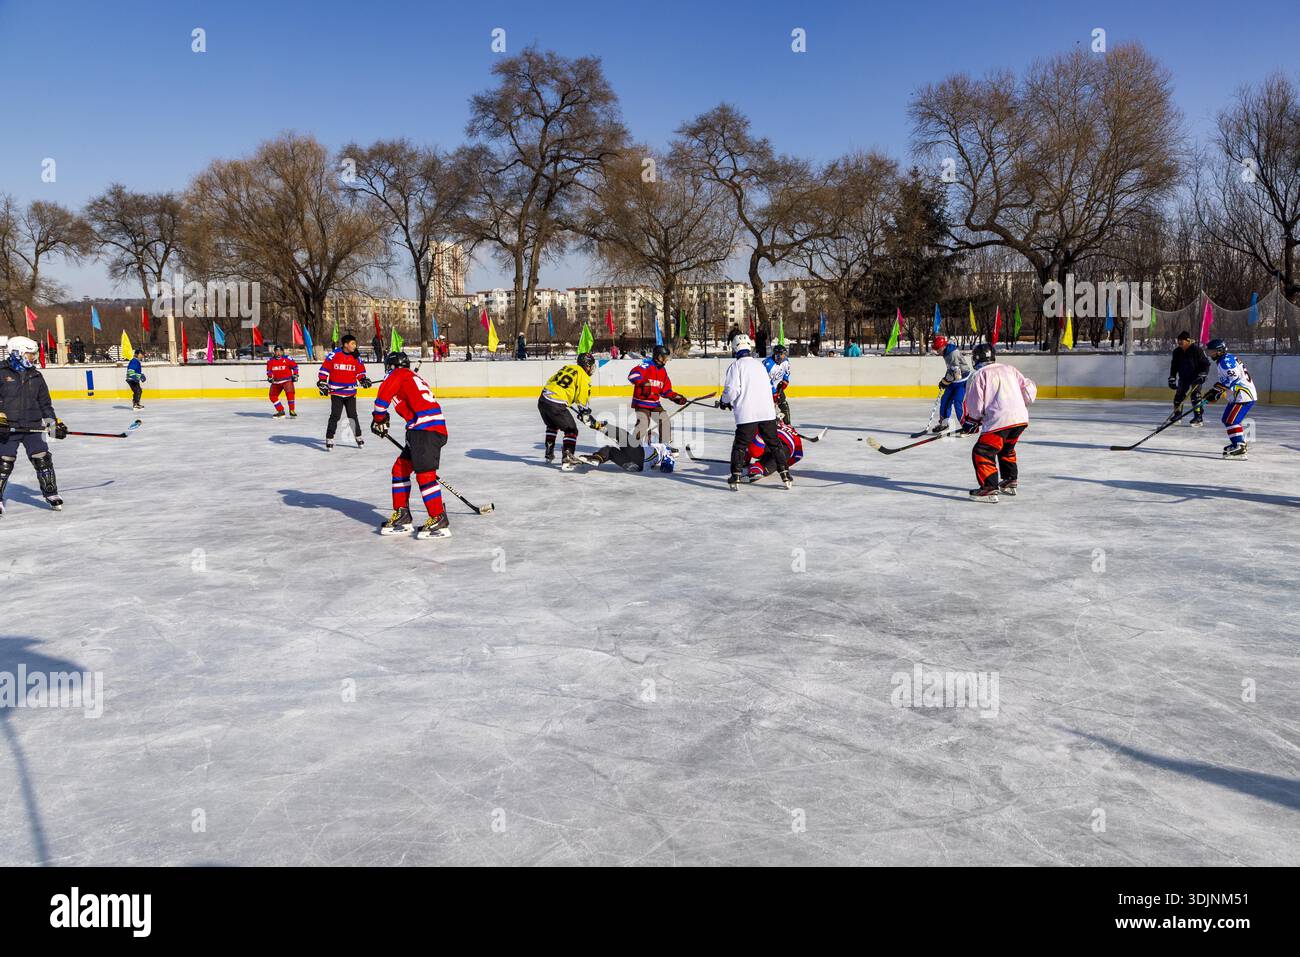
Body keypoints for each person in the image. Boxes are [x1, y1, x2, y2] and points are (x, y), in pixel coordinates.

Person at [372, 351, 451, 538]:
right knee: (400, 469)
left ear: (391, 366)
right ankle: (403, 515)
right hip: (423, 430)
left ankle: (438, 518)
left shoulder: (397, 375)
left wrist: (379, 419)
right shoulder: (411, 376)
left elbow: (381, 401)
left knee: (425, 476)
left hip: (426, 430)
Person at [959, 343, 1037, 503]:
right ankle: (1009, 480)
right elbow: (1029, 388)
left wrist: (972, 420)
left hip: (999, 421)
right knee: (1006, 449)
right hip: (1020, 419)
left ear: (975, 359)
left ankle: (989, 487)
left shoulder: (979, 374)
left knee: (982, 452)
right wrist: (1017, 404)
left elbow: (975, 402)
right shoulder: (1009, 369)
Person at [0, 336, 67, 517]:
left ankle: (51, 493)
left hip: (32, 425)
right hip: (8, 427)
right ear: (18, 353)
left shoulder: (36, 375)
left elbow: (45, 403)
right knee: (4, 462)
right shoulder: (1, 371)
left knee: (42, 459)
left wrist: (54, 426)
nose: (33, 358)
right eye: (30, 354)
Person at [720, 334, 790, 490]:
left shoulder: (735, 366)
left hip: (747, 414)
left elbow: (732, 390)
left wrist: (725, 401)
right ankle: (785, 474)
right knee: (775, 445)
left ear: (735, 348)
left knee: (739, 446)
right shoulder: (759, 365)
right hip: (767, 413)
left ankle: (736, 475)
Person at [1201, 339, 1257, 458]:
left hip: (1243, 396)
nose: (1210, 354)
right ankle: (1237, 444)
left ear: (1219, 351)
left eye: (1212, 351)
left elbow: (1234, 378)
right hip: (1237, 396)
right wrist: (1217, 390)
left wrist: (1218, 390)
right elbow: (1228, 379)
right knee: (1227, 419)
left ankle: (1239, 446)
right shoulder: (1225, 359)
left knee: (1232, 420)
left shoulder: (1225, 361)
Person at [538, 352, 595, 467]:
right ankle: (568, 457)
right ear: (587, 365)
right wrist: (584, 410)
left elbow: (551, 381)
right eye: (591, 365)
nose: (592, 368)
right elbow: (582, 395)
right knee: (571, 430)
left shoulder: (567, 367)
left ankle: (549, 452)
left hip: (543, 399)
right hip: (556, 403)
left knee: (553, 425)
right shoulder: (583, 375)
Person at [317, 334, 372, 450]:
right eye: (352, 344)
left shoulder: (356, 356)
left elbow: (360, 371)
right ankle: (329, 437)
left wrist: (363, 380)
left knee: (353, 416)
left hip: (350, 392)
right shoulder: (334, 355)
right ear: (345, 344)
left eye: (355, 344)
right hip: (336, 392)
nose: (354, 346)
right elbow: (324, 369)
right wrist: (322, 381)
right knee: (335, 416)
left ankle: (358, 436)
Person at [627, 344, 687, 446]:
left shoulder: (663, 371)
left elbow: (666, 391)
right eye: (665, 357)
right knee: (643, 423)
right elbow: (632, 375)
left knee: (665, 420)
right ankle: (634, 446)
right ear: (659, 357)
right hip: (641, 403)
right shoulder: (646, 366)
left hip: (654, 404)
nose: (667, 360)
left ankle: (664, 446)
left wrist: (676, 397)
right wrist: (642, 383)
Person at [574, 416, 676, 474]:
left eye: (651, 435)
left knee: (623, 435)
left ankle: (597, 425)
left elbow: (668, 466)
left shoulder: (663, 447)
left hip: (641, 457)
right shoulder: (647, 446)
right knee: (610, 450)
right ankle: (597, 458)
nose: (648, 437)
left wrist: (668, 463)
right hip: (635, 463)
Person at [1168, 330, 1210, 427]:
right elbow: (1174, 366)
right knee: (1179, 396)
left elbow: (1206, 363)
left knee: (1195, 396)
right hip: (1183, 377)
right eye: (1178, 340)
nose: (1179, 342)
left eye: (1181, 340)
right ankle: (1177, 415)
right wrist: (1172, 377)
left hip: (1196, 377)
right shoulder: (1177, 351)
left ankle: (1198, 417)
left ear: (1188, 340)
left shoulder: (1197, 350)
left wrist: (1203, 374)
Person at [930, 335, 972, 433]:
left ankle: (967, 427)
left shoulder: (953, 353)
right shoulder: (946, 352)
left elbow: (956, 374)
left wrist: (945, 381)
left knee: (958, 402)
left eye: (937, 349)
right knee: (945, 400)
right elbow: (951, 370)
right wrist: (944, 381)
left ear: (943, 346)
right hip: (953, 381)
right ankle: (944, 424)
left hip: (962, 381)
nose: (937, 351)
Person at [266, 344, 299, 418]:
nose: (278, 353)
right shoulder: (270, 361)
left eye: (280, 351)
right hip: (276, 382)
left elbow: (295, 367)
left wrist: (295, 375)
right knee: (272, 396)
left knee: (290, 394)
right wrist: (270, 377)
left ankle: (292, 410)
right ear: (274, 352)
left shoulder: (288, 359)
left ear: (282, 352)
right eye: (277, 351)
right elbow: (269, 371)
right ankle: (281, 411)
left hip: (287, 380)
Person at [763, 342, 792, 423]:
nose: (784, 356)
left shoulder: (785, 361)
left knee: (784, 406)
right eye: (782, 354)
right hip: (766, 390)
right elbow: (767, 381)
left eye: (784, 354)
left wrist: (785, 381)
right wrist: (774, 393)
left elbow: (787, 373)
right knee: (770, 410)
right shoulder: (768, 364)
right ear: (777, 355)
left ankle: (788, 425)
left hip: (777, 388)